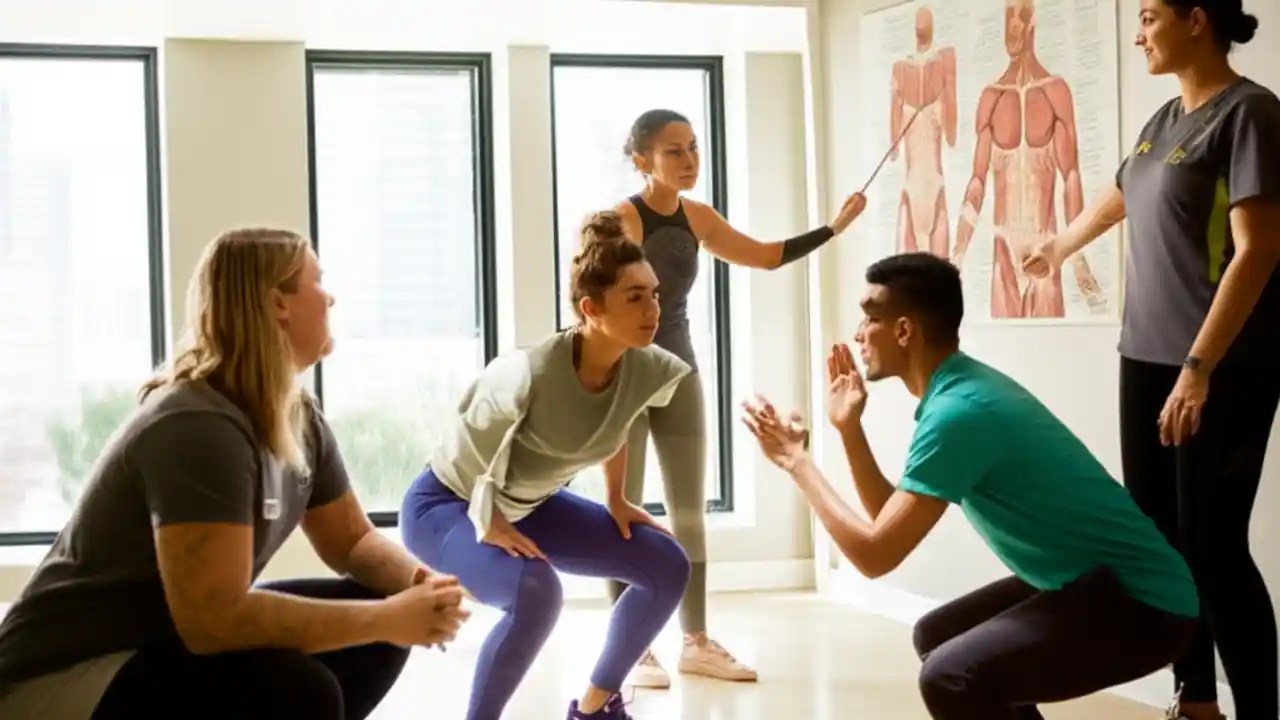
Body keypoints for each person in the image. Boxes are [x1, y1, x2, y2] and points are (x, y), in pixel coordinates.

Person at [0, 228, 468, 720]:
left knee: (374, 615)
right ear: (277, 304)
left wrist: (418, 584)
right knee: (299, 688)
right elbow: (213, 622)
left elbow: (350, 541)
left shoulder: (296, 417)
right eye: (317, 281)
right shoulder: (197, 426)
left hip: (157, 646)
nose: (331, 297)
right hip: (58, 679)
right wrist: (387, 619)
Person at [741, 252, 1201, 719]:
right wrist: (849, 429)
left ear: (904, 331)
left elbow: (875, 555)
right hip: (1084, 582)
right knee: (937, 637)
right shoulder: (955, 390)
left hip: (1142, 603)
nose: (859, 333)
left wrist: (797, 463)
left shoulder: (960, 412)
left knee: (951, 676)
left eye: (870, 317)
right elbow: (888, 522)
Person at [1022, 2, 1280, 717]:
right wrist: (1061, 244)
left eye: (1149, 17)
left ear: (1196, 20)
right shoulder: (1164, 119)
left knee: (1215, 545)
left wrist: (1199, 368)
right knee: (1161, 542)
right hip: (1143, 355)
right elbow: (1119, 197)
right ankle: (1195, 700)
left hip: (1219, 363)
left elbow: (1259, 250)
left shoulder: (1249, 115)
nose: (1138, 34)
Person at [605, 107, 868, 687]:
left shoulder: (698, 217)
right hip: (624, 375)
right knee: (624, 506)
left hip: (680, 373)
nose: (690, 159)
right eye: (674, 151)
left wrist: (832, 229)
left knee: (689, 511)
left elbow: (766, 255)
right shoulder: (622, 218)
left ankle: (695, 639)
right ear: (641, 159)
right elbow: (599, 296)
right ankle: (630, 646)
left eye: (693, 147)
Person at [400, 211, 694, 720]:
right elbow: (467, 441)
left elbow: (618, 417)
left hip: (530, 504)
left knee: (667, 563)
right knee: (536, 591)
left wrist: (618, 498)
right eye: (635, 296)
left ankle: (596, 708)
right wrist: (487, 518)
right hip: (447, 504)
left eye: (654, 294)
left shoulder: (648, 366)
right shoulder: (528, 372)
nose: (653, 308)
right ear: (590, 308)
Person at [952, 0, 1105, 318]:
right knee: (1004, 352)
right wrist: (956, 257)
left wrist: (1076, 259)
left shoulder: (1055, 91)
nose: (1011, 28)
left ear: (1032, 22)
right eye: (1007, 19)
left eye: (1018, 18)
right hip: (1003, 250)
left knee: (1050, 352)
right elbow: (977, 181)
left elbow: (1071, 177)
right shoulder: (990, 97)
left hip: (1044, 248)